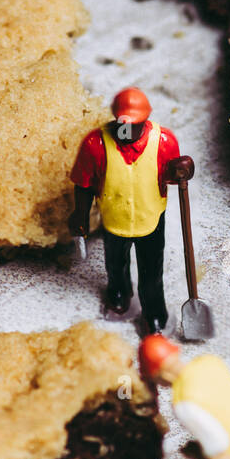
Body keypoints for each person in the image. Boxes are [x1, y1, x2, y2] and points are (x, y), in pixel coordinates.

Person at [68, 88, 192, 333]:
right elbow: (83, 183)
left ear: (145, 120)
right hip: (114, 219)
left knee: (151, 272)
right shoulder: (95, 144)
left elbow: (173, 176)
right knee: (115, 265)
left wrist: (183, 170)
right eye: (122, 123)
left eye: (133, 124)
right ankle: (119, 292)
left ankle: (154, 312)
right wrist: (80, 214)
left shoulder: (164, 141)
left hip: (151, 220)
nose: (126, 129)